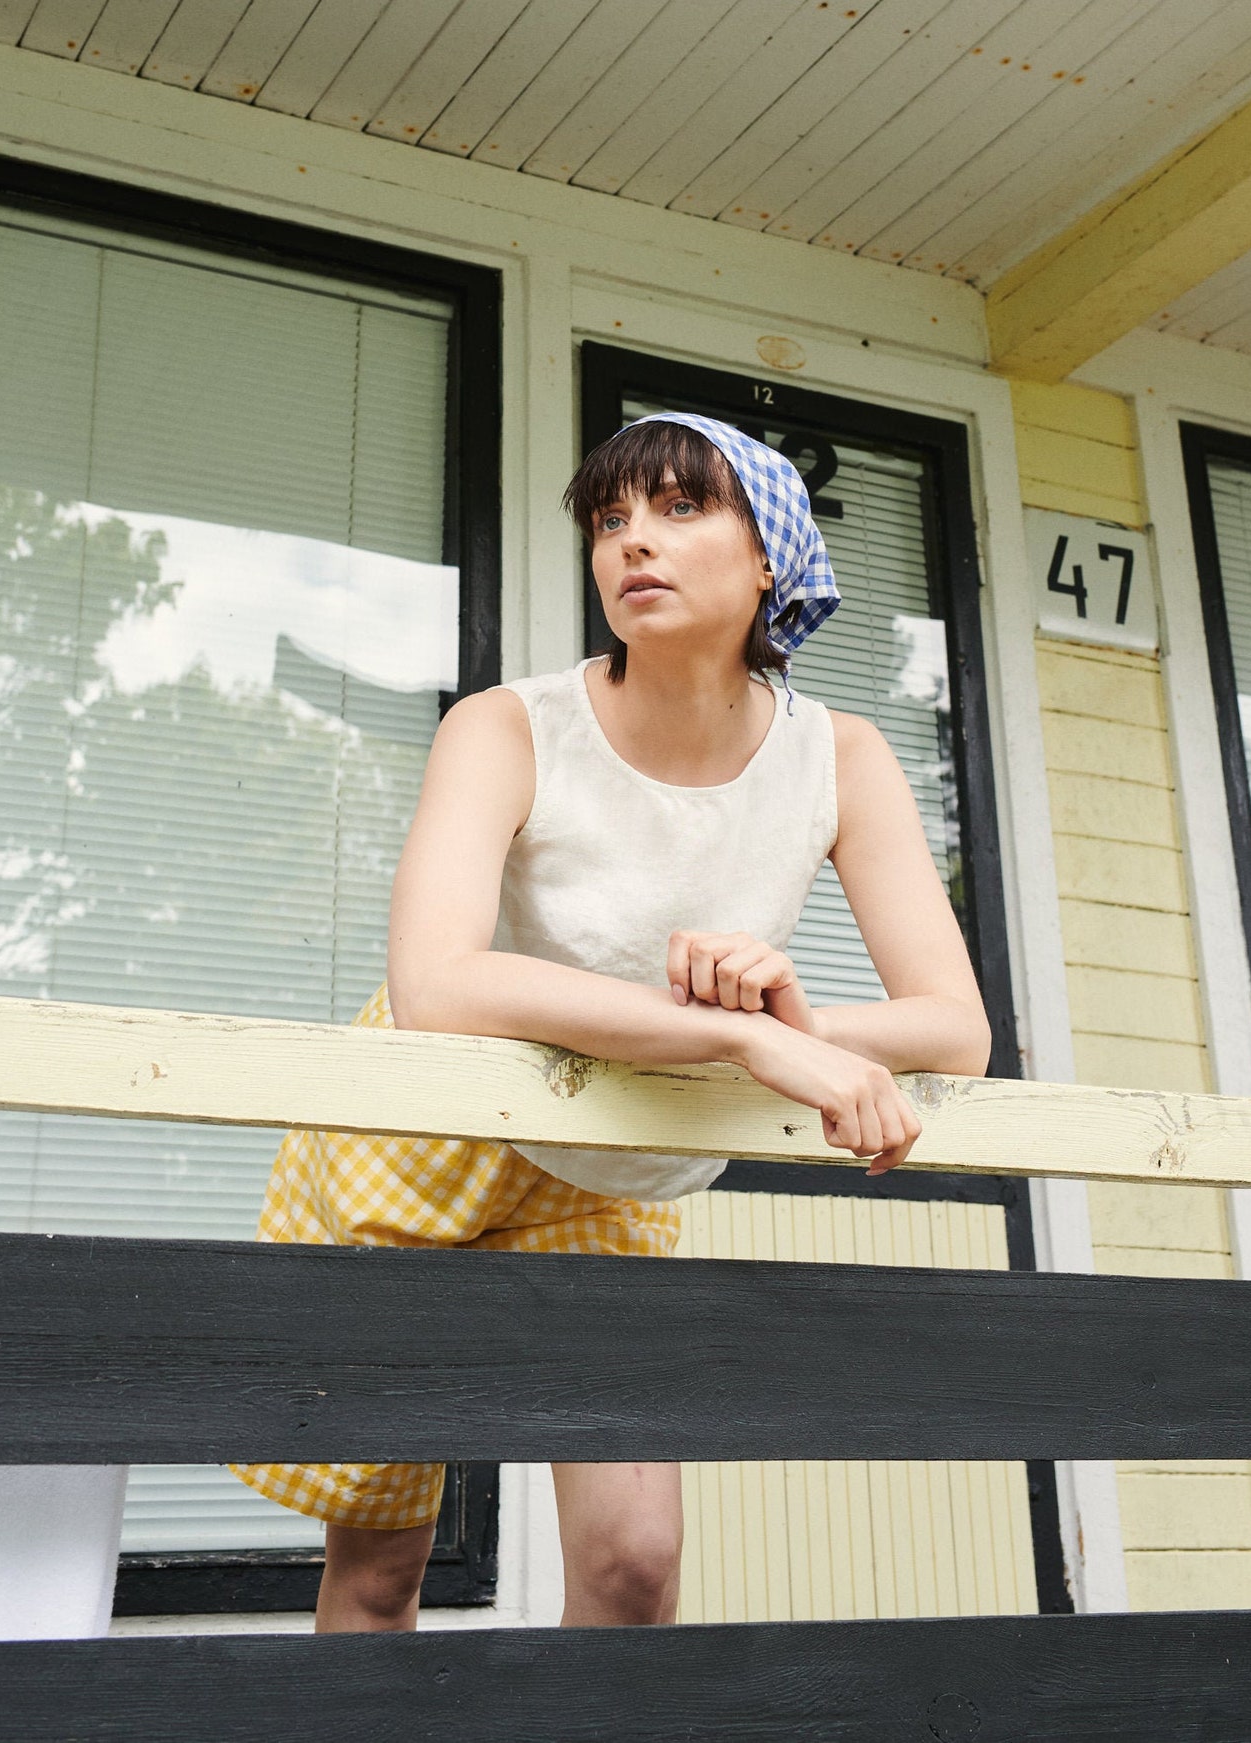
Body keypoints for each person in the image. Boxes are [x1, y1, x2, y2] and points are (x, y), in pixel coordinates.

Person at [230, 413, 991, 1631]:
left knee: (634, 1569)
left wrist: (797, 1011)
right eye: (610, 519)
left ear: (769, 559)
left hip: (618, 1162)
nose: (634, 541)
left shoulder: (840, 758)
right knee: (381, 1570)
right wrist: (744, 1040)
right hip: (427, 1135)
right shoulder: (508, 724)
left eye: (682, 509)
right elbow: (437, 988)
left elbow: (955, 1028)